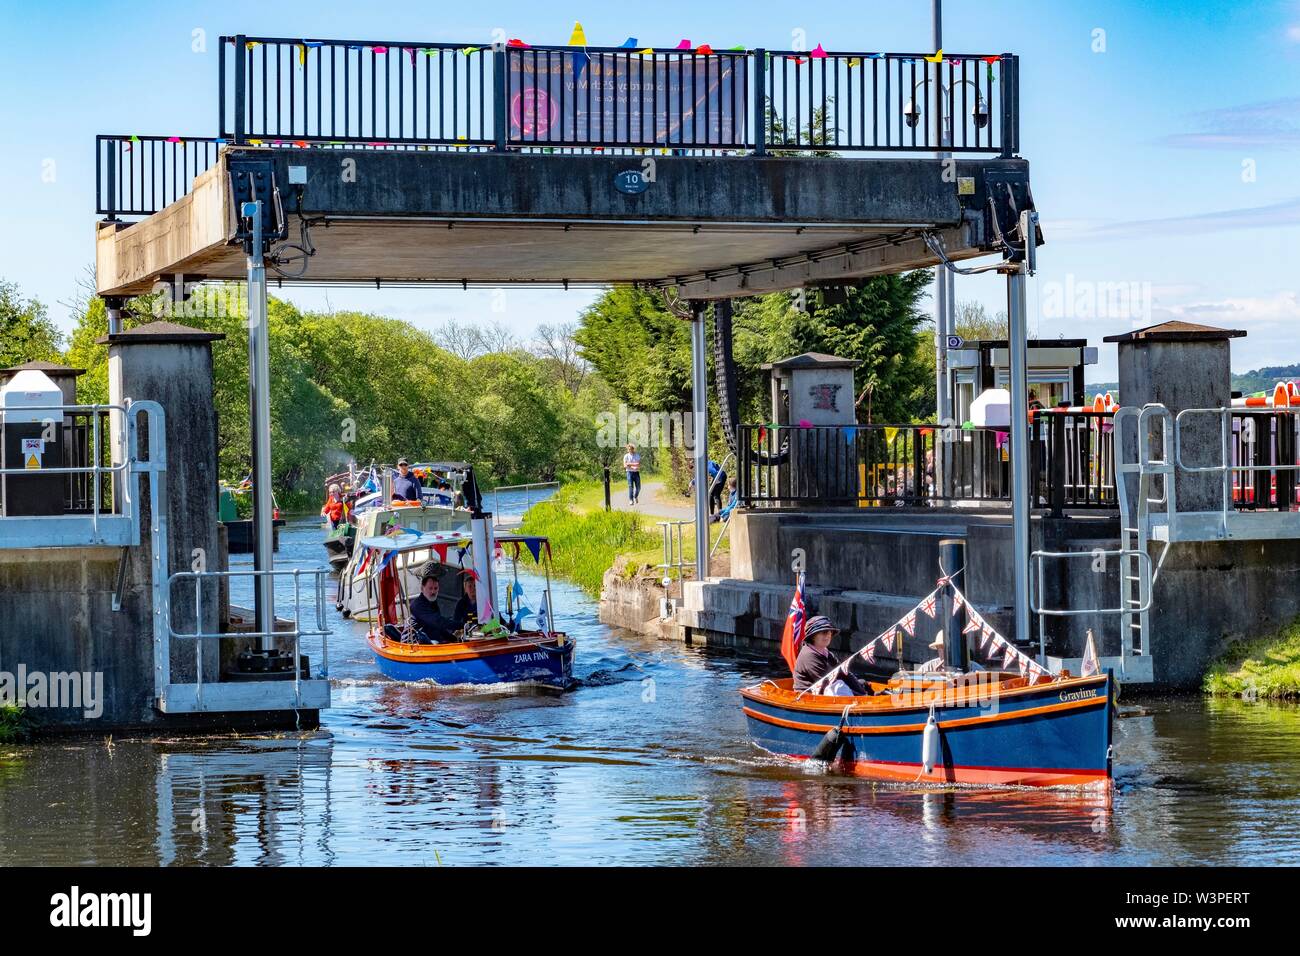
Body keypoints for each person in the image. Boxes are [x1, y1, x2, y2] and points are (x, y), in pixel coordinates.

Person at [793, 616, 869, 695]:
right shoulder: (809, 655)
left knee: (862, 683)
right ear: (813, 636)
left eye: (829, 632)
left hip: (827, 689)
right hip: (809, 696)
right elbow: (827, 683)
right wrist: (860, 697)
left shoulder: (826, 652)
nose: (828, 636)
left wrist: (862, 692)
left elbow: (844, 673)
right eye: (824, 632)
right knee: (840, 686)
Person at [406, 566, 458, 644]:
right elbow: (438, 622)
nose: (433, 592)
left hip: (428, 640)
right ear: (422, 589)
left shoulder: (433, 603)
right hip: (413, 643)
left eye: (435, 588)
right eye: (430, 588)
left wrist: (454, 639)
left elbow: (439, 628)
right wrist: (462, 625)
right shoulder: (417, 605)